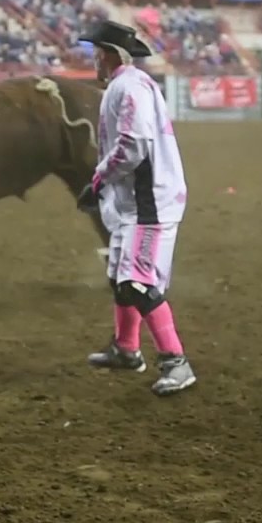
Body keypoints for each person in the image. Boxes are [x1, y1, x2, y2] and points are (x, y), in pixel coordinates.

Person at [76, 21, 196, 396]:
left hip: (149, 203)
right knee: (121, 277)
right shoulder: (131, 85)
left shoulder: (127, 87)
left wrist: (98, 179)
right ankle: (127, 349)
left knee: (137, 281)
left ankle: (176, 362)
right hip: (139, 201)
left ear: (109, 53)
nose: (93, 59)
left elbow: (133, 145)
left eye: (97, 52)